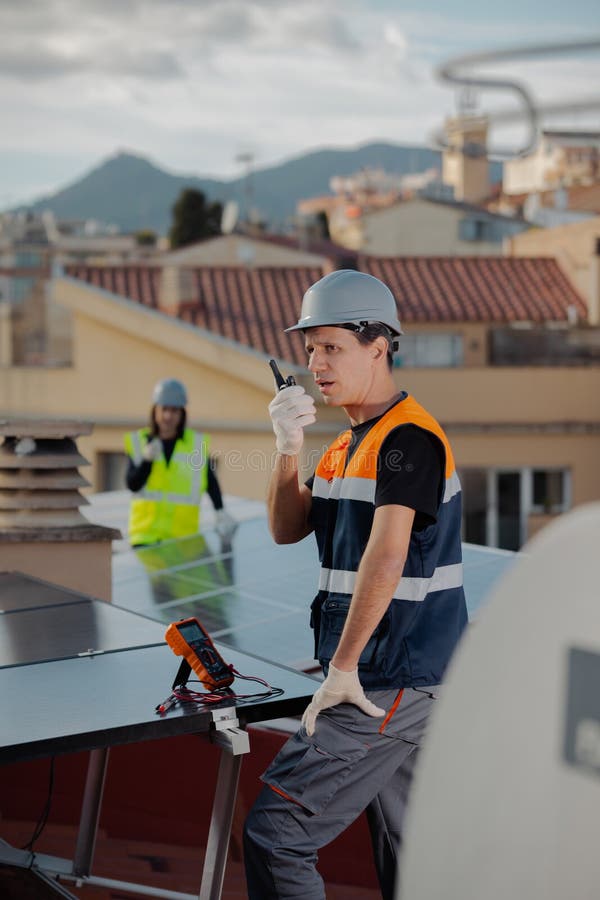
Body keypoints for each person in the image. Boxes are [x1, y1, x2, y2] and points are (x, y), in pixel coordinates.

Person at [243, 270, 468, 900]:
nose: (316, 362)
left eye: (332, 347)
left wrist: (342, 671)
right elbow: (287, 527)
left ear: (380, 345)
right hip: (407, 678)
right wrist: (287, 447)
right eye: (310, 348)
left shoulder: (408, 441)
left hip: (383, 680)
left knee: (277, 836)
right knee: (411, 853)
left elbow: (388, 555)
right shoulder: (347, 446)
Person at [124, 378, 236, 547]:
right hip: (146, 539)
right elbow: (133, 484)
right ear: (155, 410)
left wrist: (220, 510)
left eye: (174, 410)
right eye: (164, 409)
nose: (168, 416)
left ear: (182, 413)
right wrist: (147, 461)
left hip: (183, 540)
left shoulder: (195, 444)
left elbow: (210, 481)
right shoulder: (139, 442)